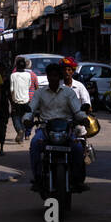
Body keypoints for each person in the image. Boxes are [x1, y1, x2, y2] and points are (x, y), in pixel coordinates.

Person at [23, 60, 87, 191]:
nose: (53, 78)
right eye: (50, 75)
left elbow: (77, 110)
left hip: (66, 128)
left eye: (55, 75)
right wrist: (27, 119)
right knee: (35, 144)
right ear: (47, 76)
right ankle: (38, 177)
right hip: (46, 128)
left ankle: (77, 179)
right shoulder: (39, 93)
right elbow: (31, 109)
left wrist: (84, 119)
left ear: (60, 77)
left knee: (78, 148)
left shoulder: (69, 93)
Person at [8, 57, 34, 143]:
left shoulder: (13, 75)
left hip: (16, 101)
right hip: (26, 100)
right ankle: (21, 138)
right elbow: (29, 85)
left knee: (15, 118)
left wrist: (12, 99)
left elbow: (11, 89)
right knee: (23, 118)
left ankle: (19, 131)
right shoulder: (28, 75)